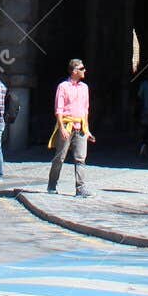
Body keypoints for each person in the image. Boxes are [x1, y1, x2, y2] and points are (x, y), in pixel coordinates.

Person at [47, 57, 94, 197]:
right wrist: (61, 127)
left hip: (81, 127)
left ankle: (80, 188)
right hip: (67, 125)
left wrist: (88, 129)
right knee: (59, 158)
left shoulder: (85, 88)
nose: (84, 70)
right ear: (74, 71)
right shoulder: (63, 87)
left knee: (81, 158)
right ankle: (52, 184)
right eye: (81, 69)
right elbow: (59, 109)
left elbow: (86, 109)